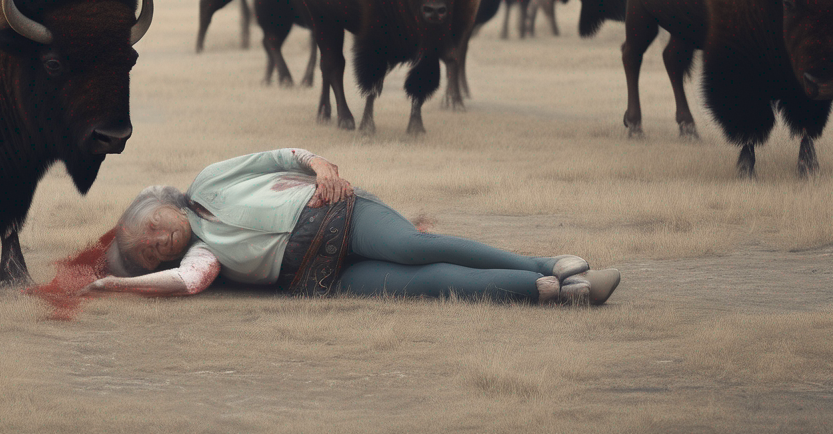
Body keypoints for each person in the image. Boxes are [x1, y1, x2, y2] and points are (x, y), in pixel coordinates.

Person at [82, 149, 620, 304]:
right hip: (318, 278)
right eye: (152, 251)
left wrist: (321, 168)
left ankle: (546, 262)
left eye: (152, 226)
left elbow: (279, 156)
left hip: (339, 212)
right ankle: (550, 291)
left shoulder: (208, 181)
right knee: (428, 285)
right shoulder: (204, 259)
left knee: (413, 246)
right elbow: (185, 283)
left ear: (161, 202)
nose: (158, 241)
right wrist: (117, 284)